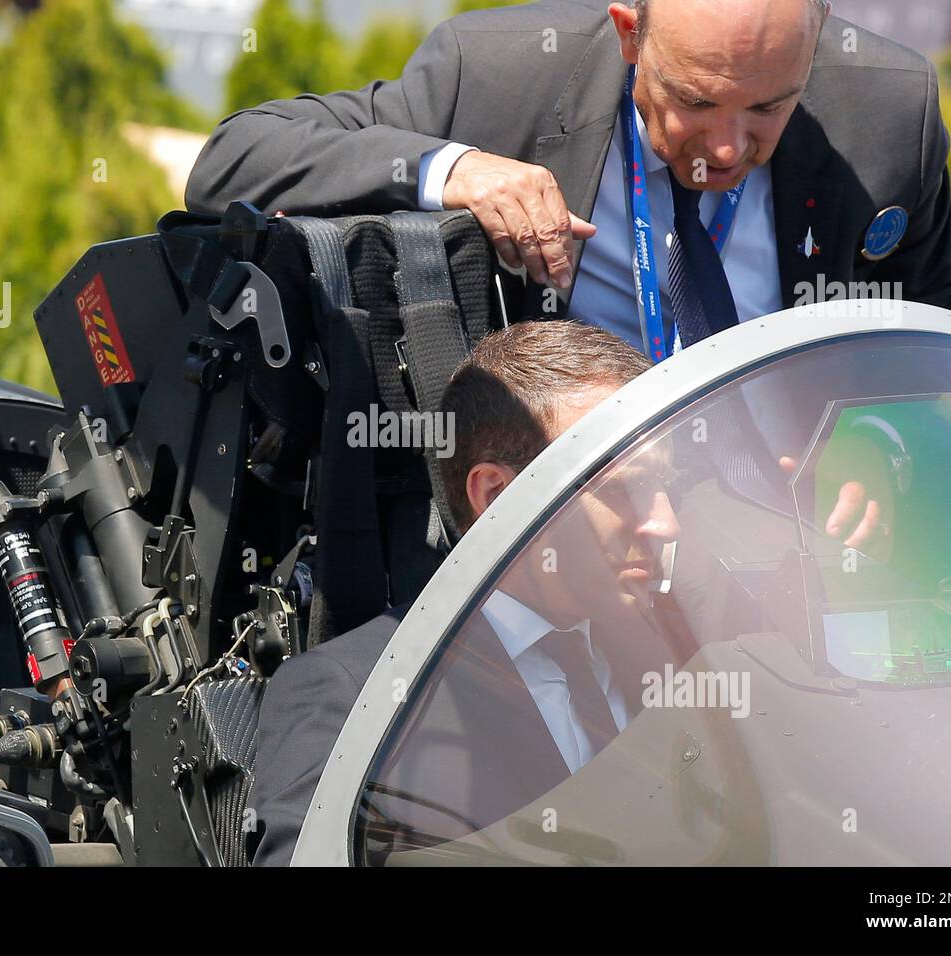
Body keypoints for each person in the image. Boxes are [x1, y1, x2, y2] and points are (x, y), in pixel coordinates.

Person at [186, 0, 951, 353]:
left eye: (769, 108)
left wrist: (884, 445)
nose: (726, 145)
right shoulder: (495, 77)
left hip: (784, 544)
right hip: (553, 551)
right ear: (629, 35)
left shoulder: (890, 113)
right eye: (696, 100)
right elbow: (232, 160)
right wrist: (453, 170)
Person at [246, 320, 676, 866]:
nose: (666, 523)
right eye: (621, 488)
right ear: (498, 495)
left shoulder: (684, 659)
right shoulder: (360, 695)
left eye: (665, 485)